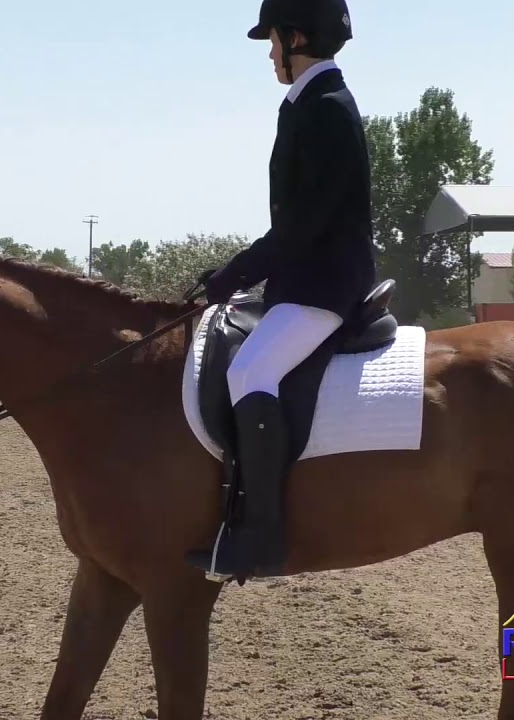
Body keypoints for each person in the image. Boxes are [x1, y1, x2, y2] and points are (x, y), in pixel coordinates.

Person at [185, 0, 372, 581]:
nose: (269, 55)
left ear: (295, 38)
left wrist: (235, 273)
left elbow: (303, 225)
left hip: (325, 285)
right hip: (304, 278)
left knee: (250, 374)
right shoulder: (306, 105)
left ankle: (263, 535)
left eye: (272, 43)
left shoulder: (326, 110)